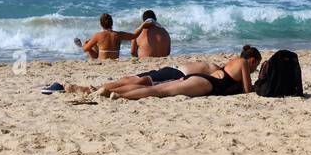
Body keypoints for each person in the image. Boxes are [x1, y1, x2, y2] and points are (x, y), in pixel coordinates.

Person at [111, 46, 261, 100]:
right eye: (257, 65)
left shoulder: (232, 62)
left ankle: (111, 91)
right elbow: (247, 91)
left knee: (156, 88)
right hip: (205, 84)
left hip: (200, 79)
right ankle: (120, 95)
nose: (255, 70)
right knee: (156, 91)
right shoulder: (243, 64)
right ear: (252, 60)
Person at [65, 59, 223, 96]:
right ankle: (94, 88)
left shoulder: (212, 67)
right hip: (174, 71)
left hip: (175, 72)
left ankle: (94, 88)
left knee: (139, 80)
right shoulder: (216, 69)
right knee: (136, 79)